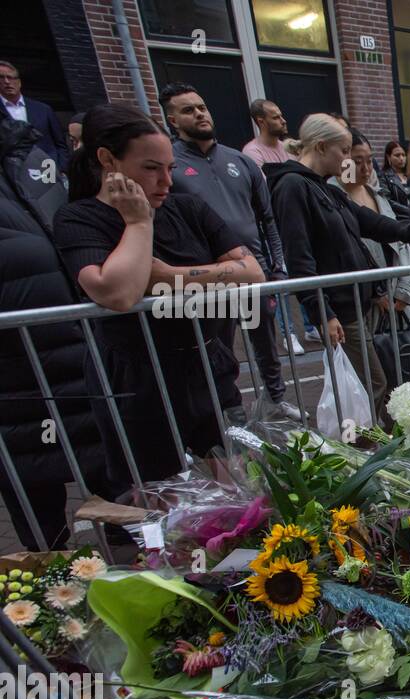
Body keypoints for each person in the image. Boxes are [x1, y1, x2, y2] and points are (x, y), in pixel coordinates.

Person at [53, 103, 264, 494]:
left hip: (205, 362)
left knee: (237, 481)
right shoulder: (78, 219)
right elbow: (118, 291)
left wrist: (169, 276)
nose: (165, 180)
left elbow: (251, 271)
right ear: (106, 159)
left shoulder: (187, 207)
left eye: (168, 167)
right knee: (162, 492)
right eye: (150, 168)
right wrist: (137, 221)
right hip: (138, 377)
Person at [264, 114, 410, 421]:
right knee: (371, 383)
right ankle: (366, 450)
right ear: (322, 147)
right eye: (345, 150)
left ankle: (369, 446)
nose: (348, 159)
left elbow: (368, 222)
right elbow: (300, 259)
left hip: (356, 305)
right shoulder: (293, 188)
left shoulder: (324, 188)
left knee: (368, 383)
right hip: (341, 309)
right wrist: (324, 314)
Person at [0, 116, 112, 550]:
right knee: (34, 496)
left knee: (110, 474)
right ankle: (50, 585)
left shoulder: (31, 157)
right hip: (17, 372)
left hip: (79, 355)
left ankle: (140, 576)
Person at [160, 82, 299, 423]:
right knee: (217, 346)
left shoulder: (239, 160)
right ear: (172, 120)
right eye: (188, 110)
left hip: (253, 272)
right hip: (210, 280)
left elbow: (267, 219)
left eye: (202, 107)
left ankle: (276, 399)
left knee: (265, 342)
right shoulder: (171, 166)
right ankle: (228, 407)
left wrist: (276, 264)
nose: (199, 114)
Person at [330, 128, 410, 353]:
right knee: (372, 374)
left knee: (406, 362)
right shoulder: (331, 198)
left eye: (369, 160)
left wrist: (405, 291)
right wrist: (376, 293)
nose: (366, 168)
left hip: (397, 300)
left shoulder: (377, 195)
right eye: (357, 161)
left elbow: (401, 241)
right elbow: (341, 252)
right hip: (363, 307)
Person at [0, 61, 67, 170]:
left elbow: (60, 143)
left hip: (48, 170)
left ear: (19, 82)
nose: (7, 82)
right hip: (15, 174)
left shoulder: (43, 109)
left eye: (11, 77)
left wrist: (62, 169)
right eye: (1, 78)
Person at [242, 99, 290, 168]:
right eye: (276, 118)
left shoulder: (287, 148)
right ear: (261, 122)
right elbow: (262, 179)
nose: (283, 121)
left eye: (281, 116)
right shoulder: (252, 151)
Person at [376, 140, 410, 220]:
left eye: (403, 155)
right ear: (388, 157)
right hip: (399, 220)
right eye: (397, 155)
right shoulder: (383, 176)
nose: (401, 158)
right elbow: (387, 201)